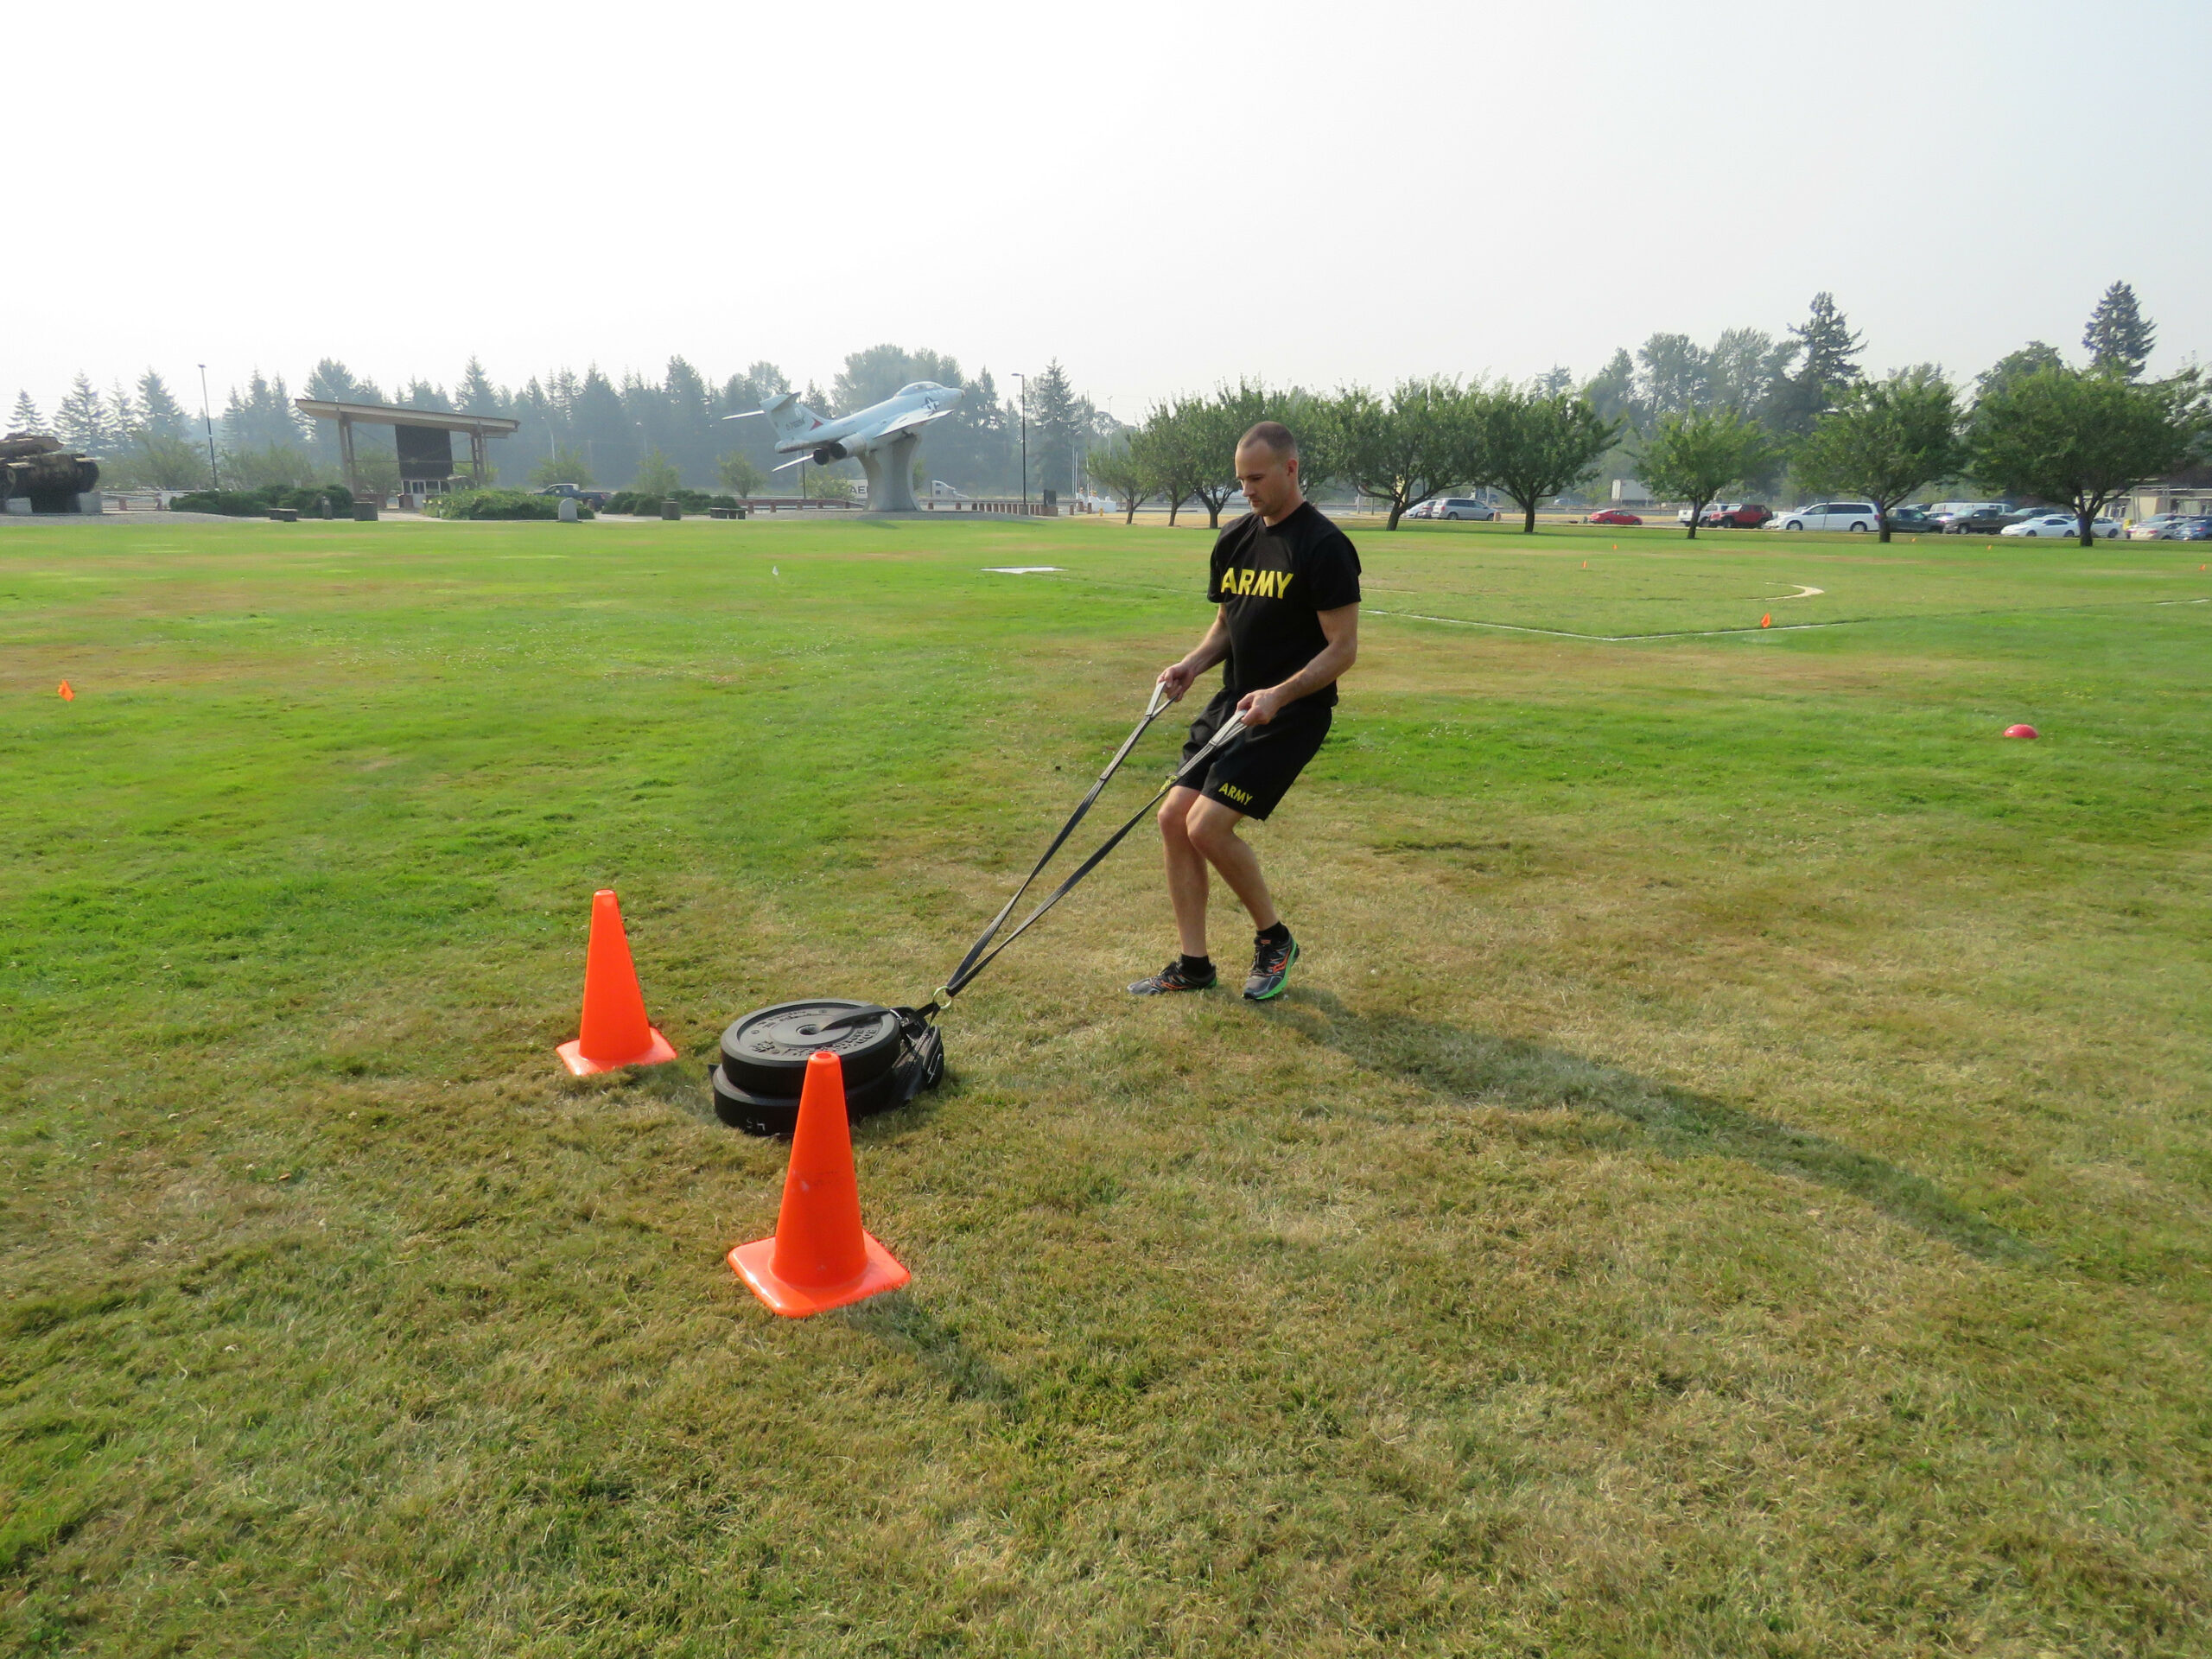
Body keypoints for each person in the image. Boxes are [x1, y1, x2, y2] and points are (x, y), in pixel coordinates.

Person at [1130, 421, 1360, 1001]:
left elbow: (1343, 649)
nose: (1247, 491)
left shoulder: (1324, 546)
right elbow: (1227, 626)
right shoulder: (1234, 539)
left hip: (1291, 712)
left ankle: (1274, 938)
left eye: (1257, 478)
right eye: (1240, 480)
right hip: (1233, 703)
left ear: (1290, 469)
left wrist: (1280, 695)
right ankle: (1194, 965)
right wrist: (1190, 665)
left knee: (1206, 825)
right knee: (1171, 820)